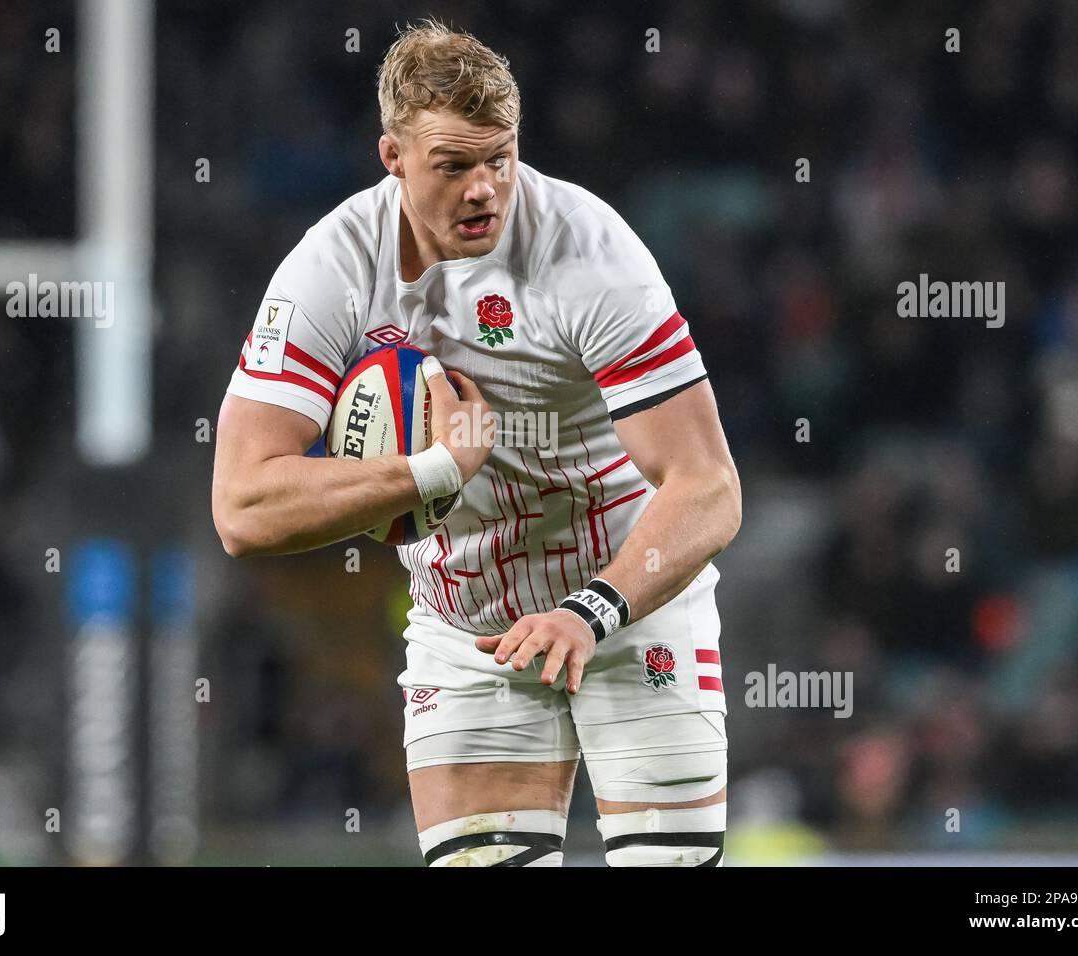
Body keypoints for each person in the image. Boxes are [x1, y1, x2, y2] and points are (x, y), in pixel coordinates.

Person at [212, 20, 741, 866]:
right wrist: (431, 470)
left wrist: (591, 610)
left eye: (501, 157)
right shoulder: (332, 268)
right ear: (393, 158)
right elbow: (241, 508)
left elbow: (708, 484)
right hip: (467, 628)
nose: (486, 188)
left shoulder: (588, 248)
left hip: (629, 603)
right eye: (454, 165)